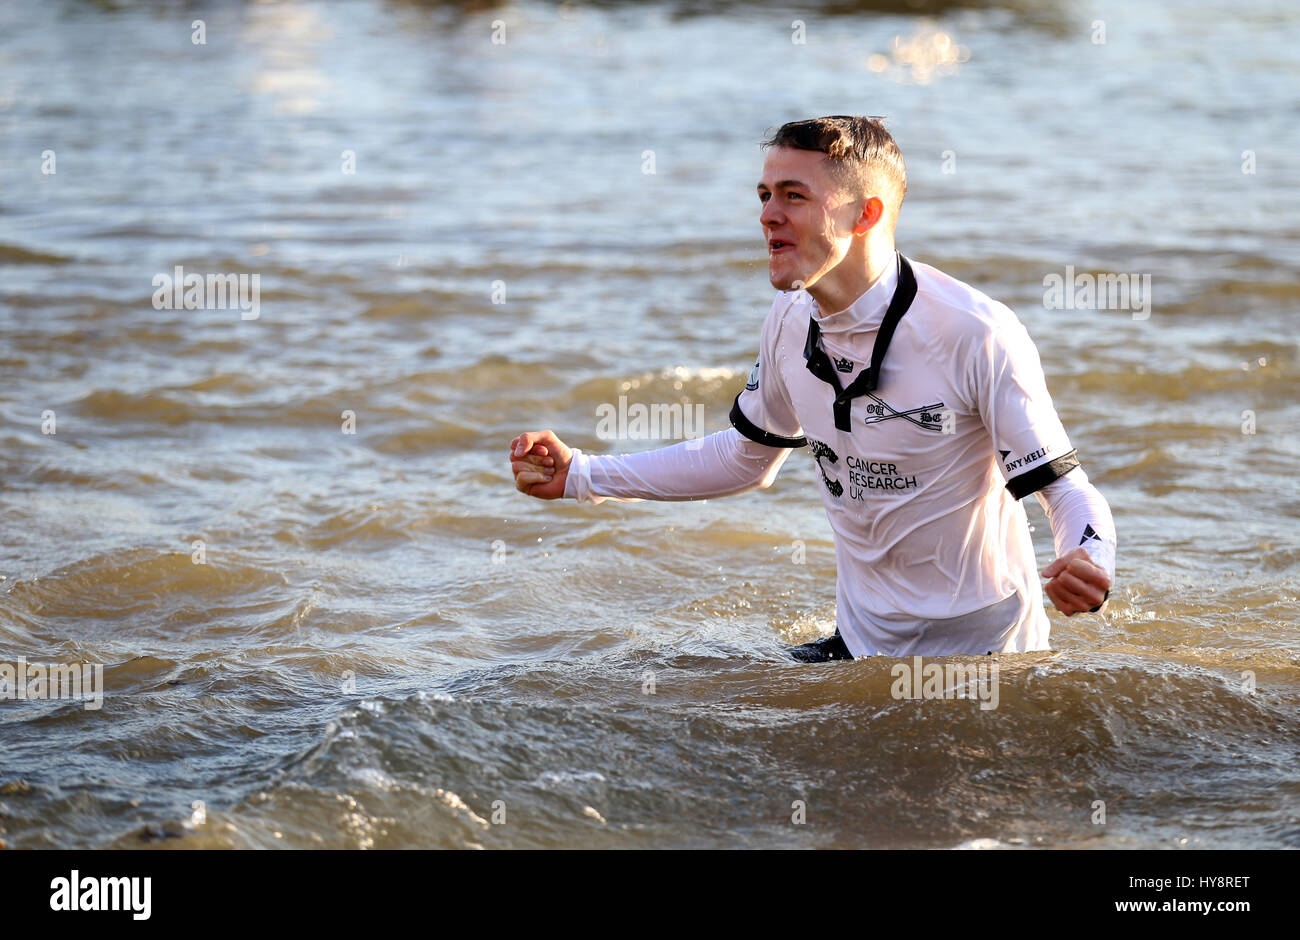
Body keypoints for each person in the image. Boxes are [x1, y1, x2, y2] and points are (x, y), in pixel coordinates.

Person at [509, 115, 1116, 662]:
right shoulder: (789, 318)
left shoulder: (975, 331)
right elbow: (745, 460)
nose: (768, 215)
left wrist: (1089, 562)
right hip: (858, 648)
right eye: (765, 195)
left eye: (794, 197)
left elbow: (1067, 494)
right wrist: (583, 475)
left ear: (865, 214)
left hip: (983, 660)